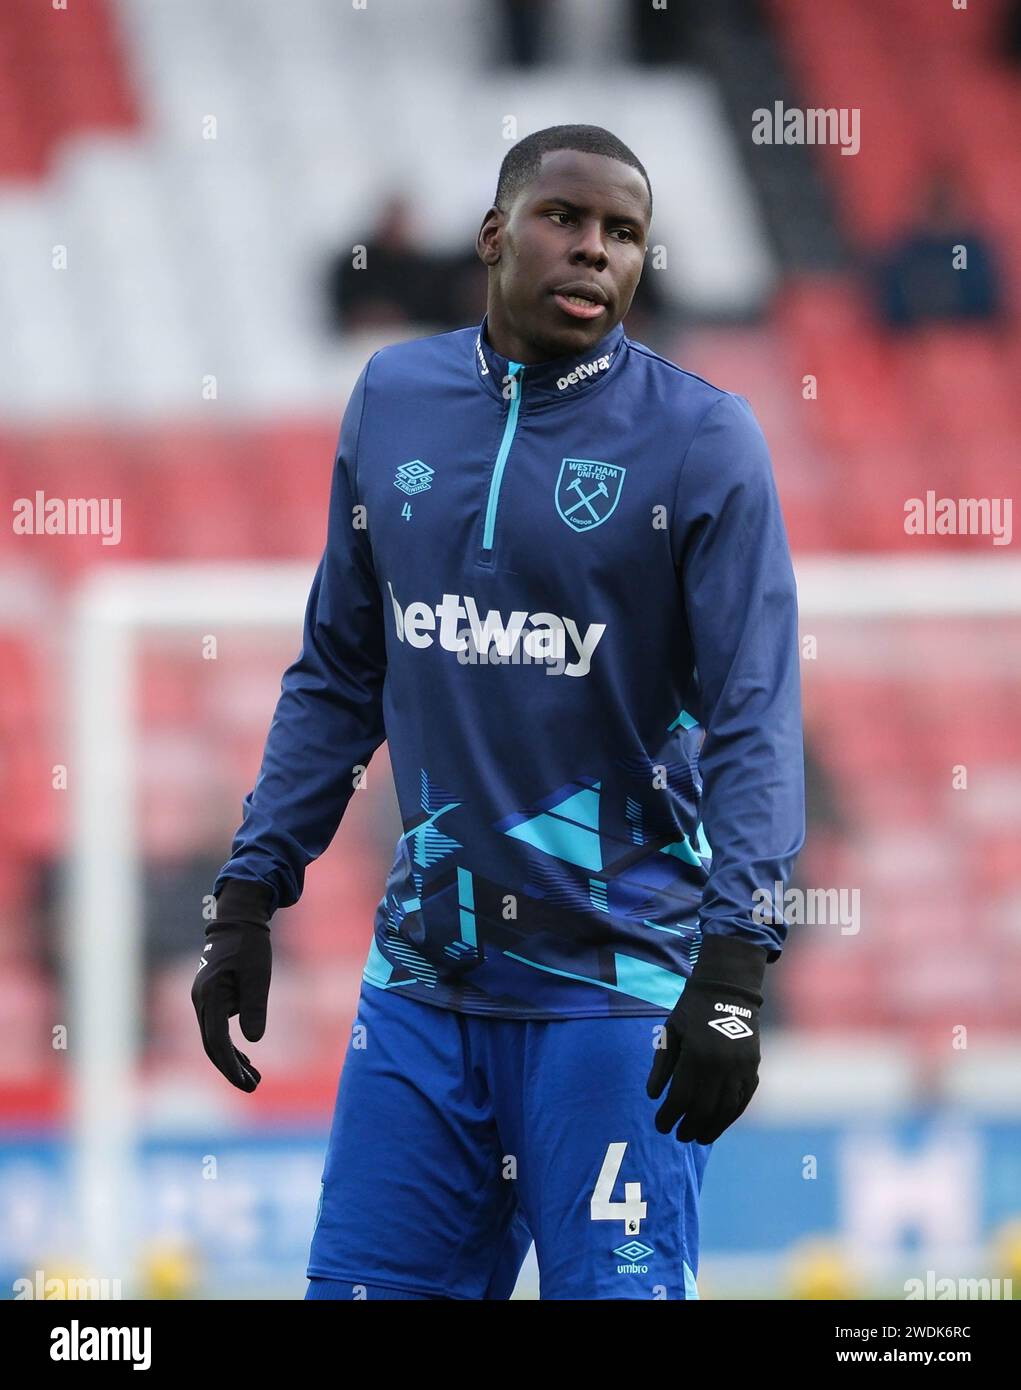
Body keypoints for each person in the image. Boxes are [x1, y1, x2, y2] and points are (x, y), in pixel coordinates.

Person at [192, 124, 805, 1301]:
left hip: (614, 990)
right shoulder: (393, 398)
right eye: (562, 220)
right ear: (492, 235)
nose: (592, 253)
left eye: (622, 235)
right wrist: (248, 889)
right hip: (423, 985)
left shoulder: (701, 440)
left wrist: (734, 961)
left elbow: (754, 714)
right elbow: (337, 669)